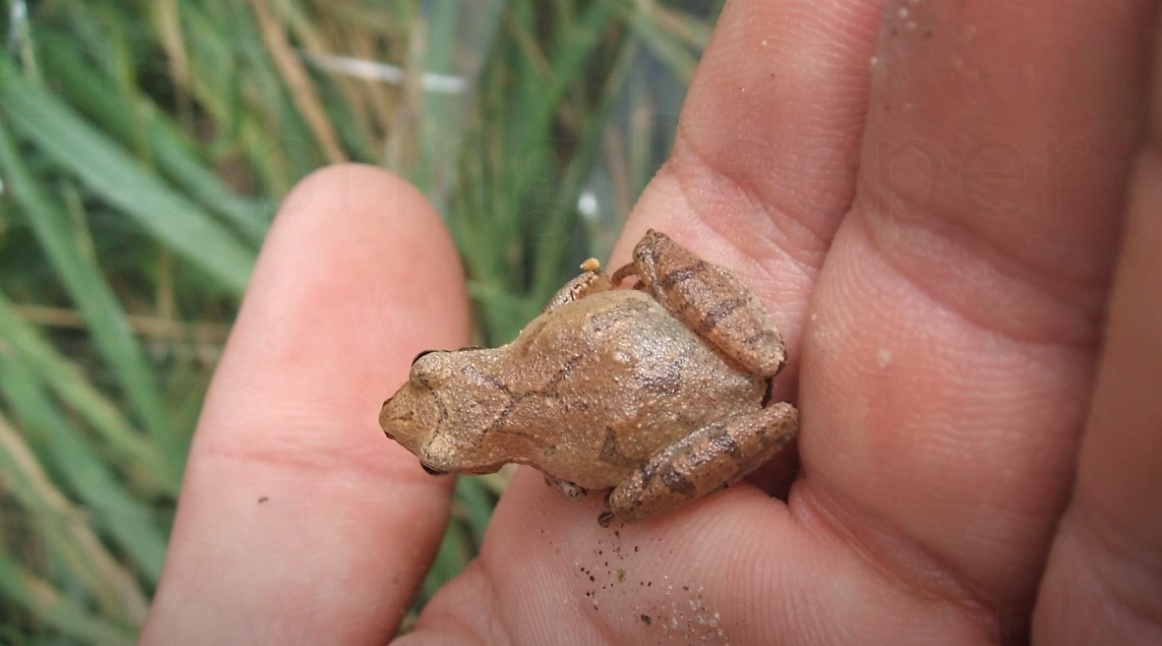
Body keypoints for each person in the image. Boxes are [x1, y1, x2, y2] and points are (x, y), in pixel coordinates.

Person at [141, 1, 1162, 643]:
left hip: (716, 385)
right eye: (442, 450)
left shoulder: (544, 454)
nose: (422, 392)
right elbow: (580, 302)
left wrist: (609, 483)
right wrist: (605, 296)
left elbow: (590, 452)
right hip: (729, 346)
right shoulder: (535, 372)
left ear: (458, 362)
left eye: (428, 371)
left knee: (626, 492)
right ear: (478, 456)